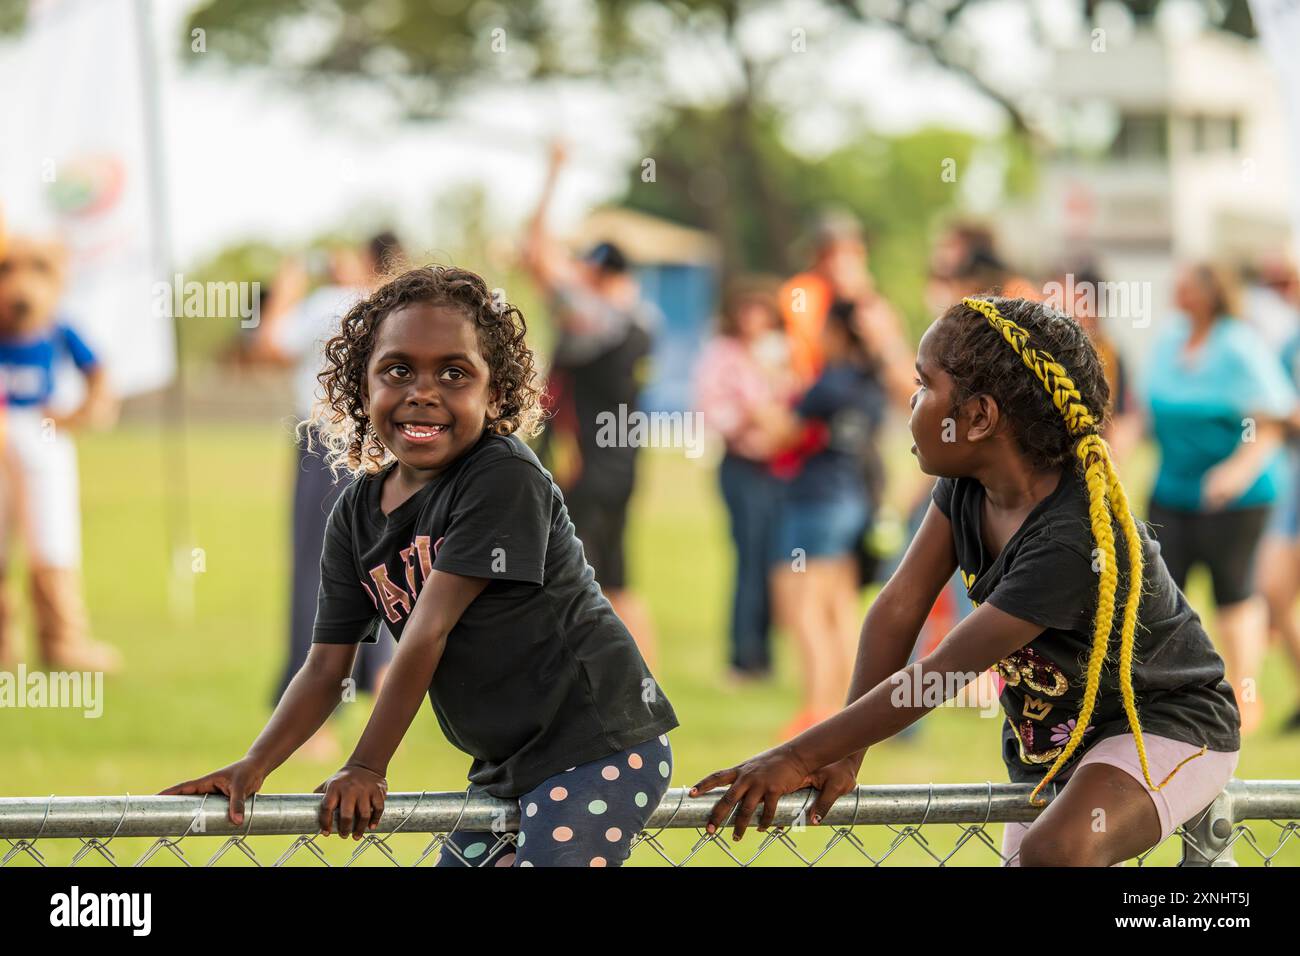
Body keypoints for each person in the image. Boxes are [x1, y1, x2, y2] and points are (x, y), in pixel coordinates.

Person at [691, 296, 1241, 867]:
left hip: (1167, 722)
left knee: (1054, 854)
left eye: (924, 385)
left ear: (979, 417)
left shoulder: (1071, 540)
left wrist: (797, 756)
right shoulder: (967, 486)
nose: (910, 402)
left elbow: (940, 673)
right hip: (1055, 745)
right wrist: (844, 751)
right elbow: (899, 606)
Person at [161, 265, 677, 867]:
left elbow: (428, 631)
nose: (422, 390)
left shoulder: (502, 477)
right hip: (506, 762)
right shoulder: (356, 511)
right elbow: (328, 666)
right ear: (361, 386)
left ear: (498, 394)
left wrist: (365, 765)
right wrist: (253, 766)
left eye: (454, 373)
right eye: (398, 370)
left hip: (600, 745)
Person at [249, 234, 404, 759]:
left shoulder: (333, 303)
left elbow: (268, 344)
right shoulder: (398, 312)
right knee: (381, 563)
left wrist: (287, 292)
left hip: (325, 446)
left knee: (317, 573)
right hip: (382, 448)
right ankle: (381, 691)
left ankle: (318, 720)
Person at [1144, 263, 1298, 736]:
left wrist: (1235, 472)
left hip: (1238, 497)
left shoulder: (1238, 345)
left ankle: (1244, 696)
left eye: (1189, 282)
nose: (1178, 288)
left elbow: (1276, 415)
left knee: (1234, 593)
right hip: (1173, 490)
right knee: (1162, 594)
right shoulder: (1169, 340)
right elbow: (1146, 411)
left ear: (1212, 293)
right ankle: (1172, 694)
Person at [522, 142, 661, 664]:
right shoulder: (645, 320)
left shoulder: (597, 322)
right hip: (624, 464)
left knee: (578, 580)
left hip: (586, 468)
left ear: (599, 274)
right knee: (621, 579)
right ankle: (648, 681)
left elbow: (538, 255)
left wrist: (553, 174)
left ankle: (600, 682)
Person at [766, 299, 891, 738]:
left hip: (815, 502)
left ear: (837, 333)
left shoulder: (827, 384)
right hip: (854, 501)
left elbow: (781, 434)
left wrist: (769, 397)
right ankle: (843, 708)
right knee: (839, 609)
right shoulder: (870, 383)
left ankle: (815, 711)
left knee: (804, 609)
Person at [693, 277, 798, 682]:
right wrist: (754, 418)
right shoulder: (723, 355)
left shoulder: (780, 354)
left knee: (776, 560)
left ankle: (766, 655)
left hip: (780, 468)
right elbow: (712, 409)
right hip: (743, 465)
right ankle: (743, 656)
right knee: (749, 559)